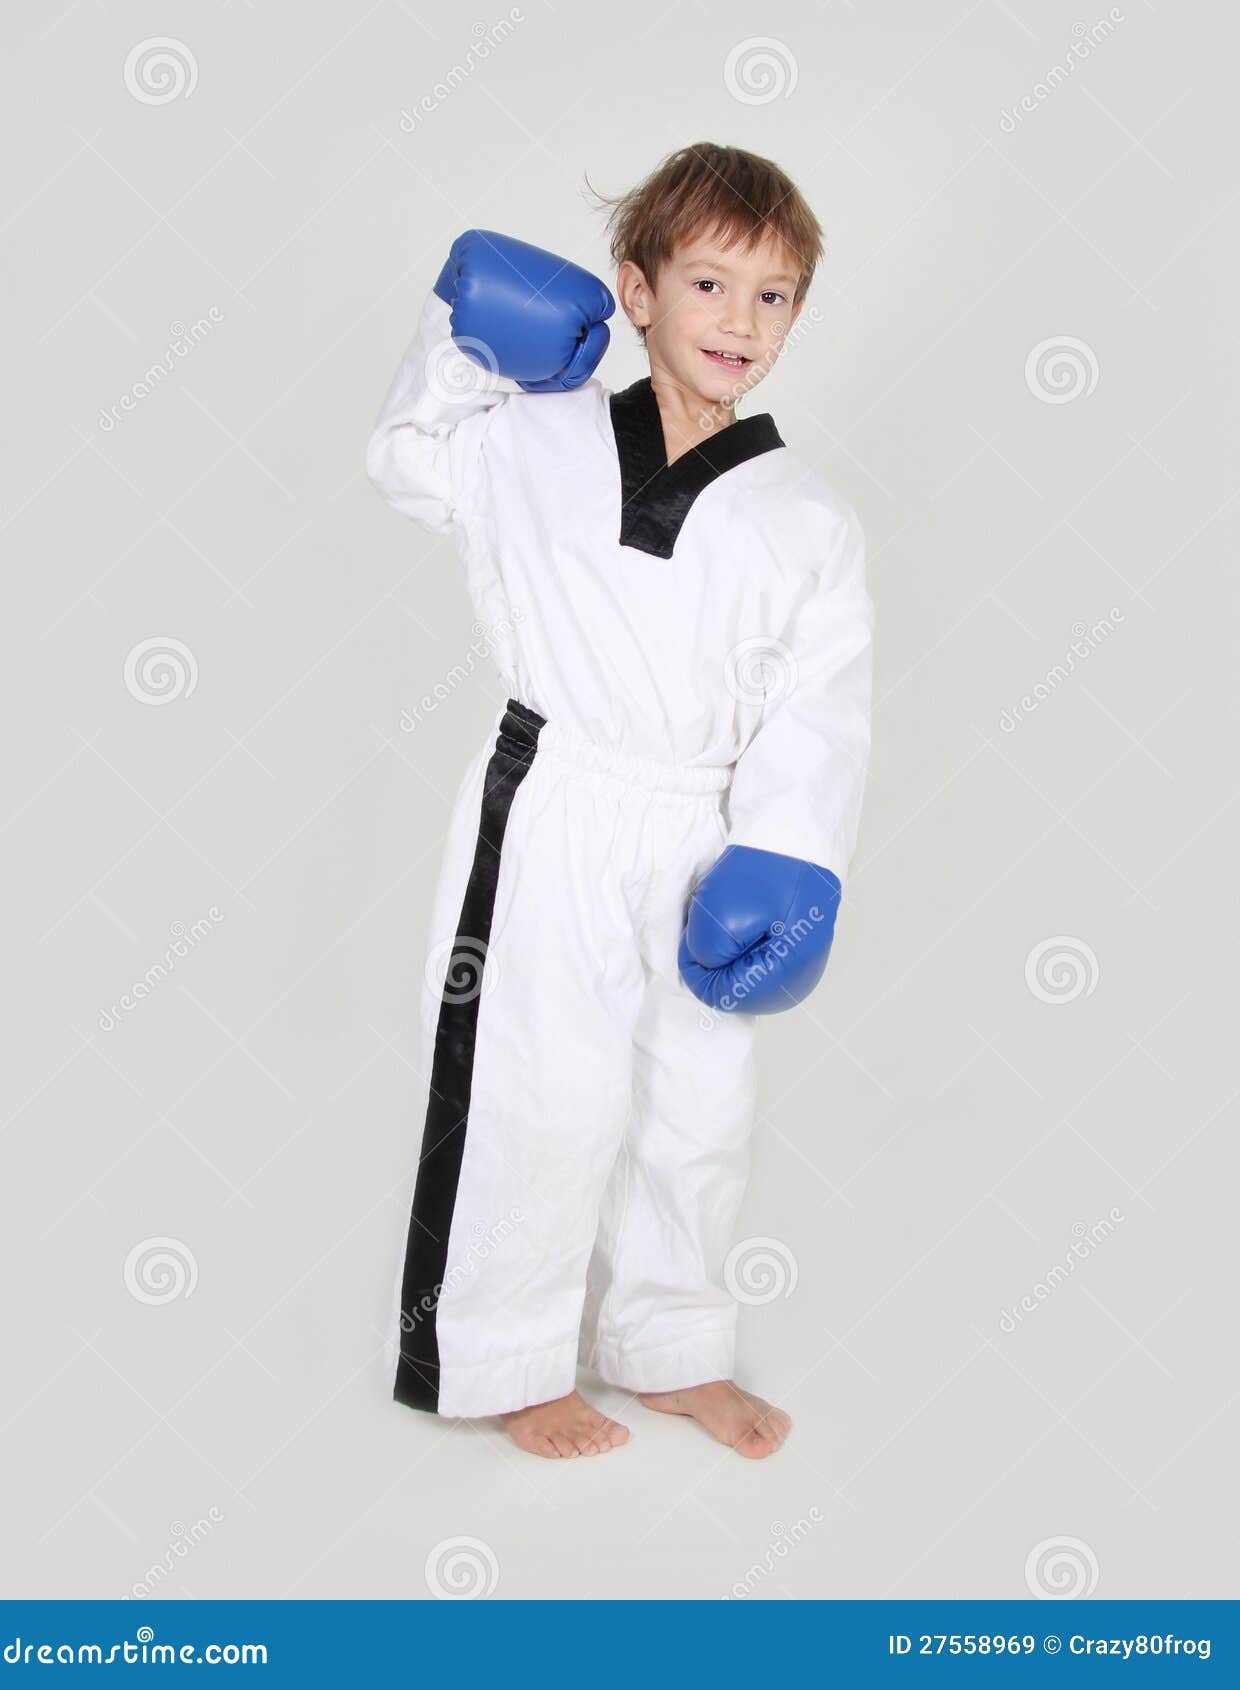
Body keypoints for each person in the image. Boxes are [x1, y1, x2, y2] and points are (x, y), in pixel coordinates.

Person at [366, 142, 873, 1460]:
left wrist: (791, 853)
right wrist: (467, 342)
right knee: (535, 1083)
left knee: (695, 1102)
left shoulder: (807, 517)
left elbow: (821, 704)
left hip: (708, 826)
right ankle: (499, 1355)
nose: (740, 323)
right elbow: (408, 459)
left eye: (773, 297)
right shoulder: (532, 436)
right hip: (556, 802)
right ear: (634, 292)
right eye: (709, 284)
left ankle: (673, 1343)